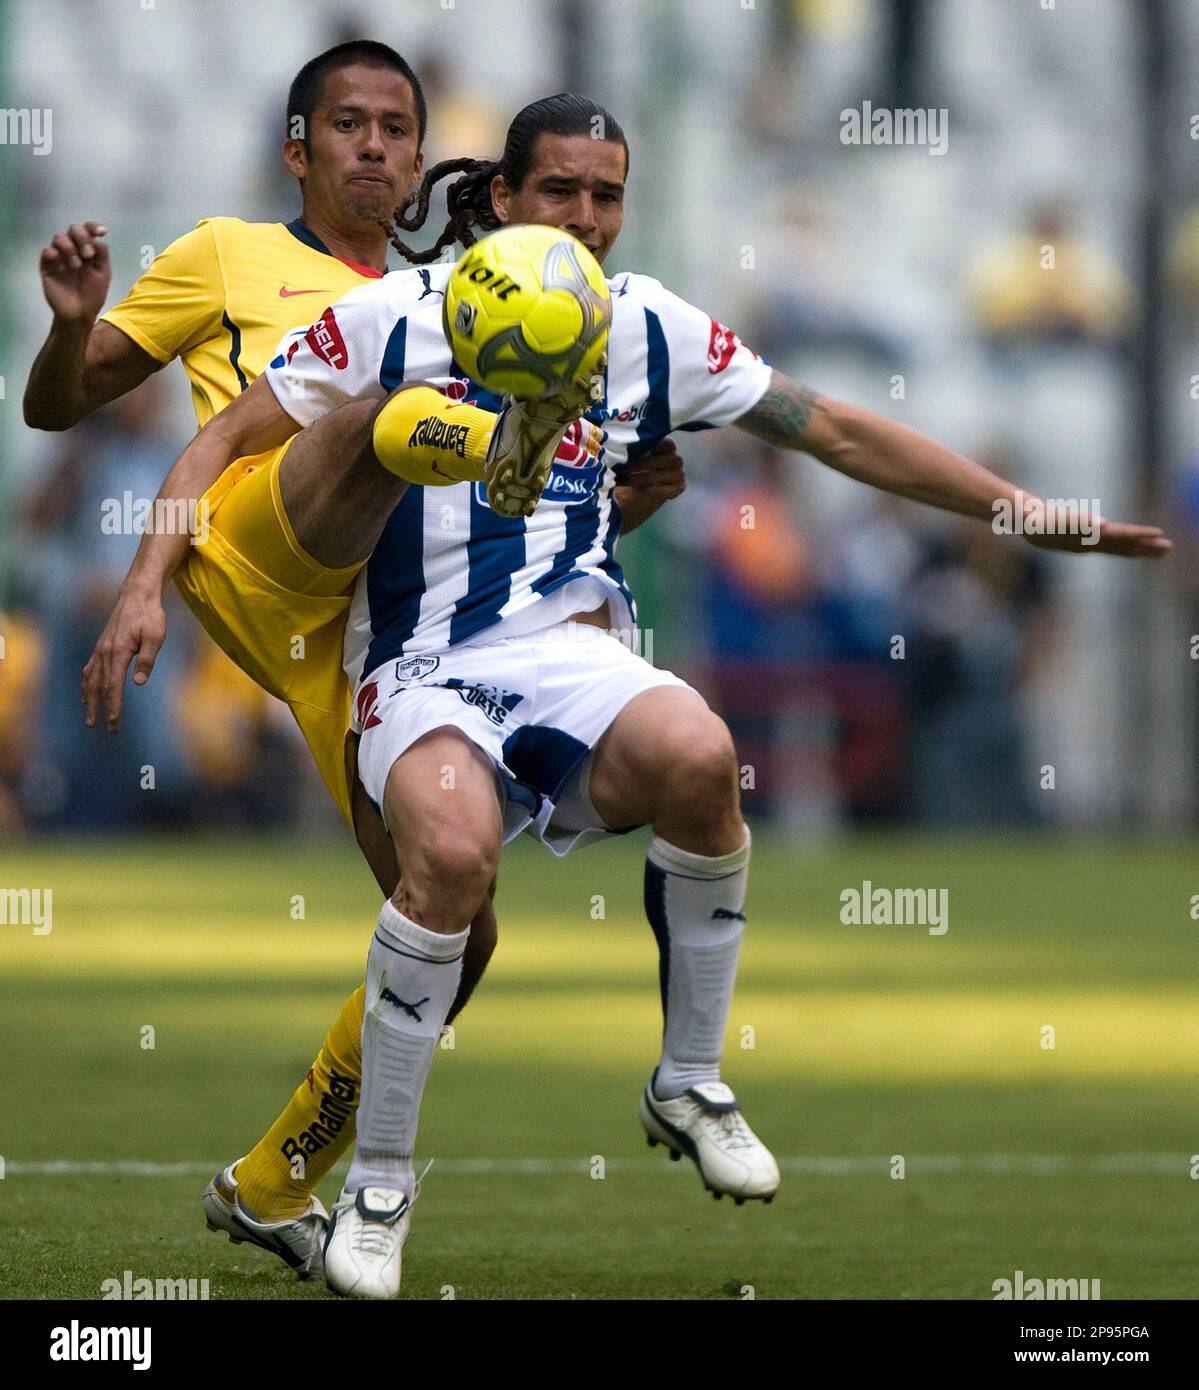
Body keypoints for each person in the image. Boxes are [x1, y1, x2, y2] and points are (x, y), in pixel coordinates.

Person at [88, 92, 1170, 1298]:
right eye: (559, 190)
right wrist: (145, 582)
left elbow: (838, 430)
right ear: (501, 199)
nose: (587, 217)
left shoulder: (647, 326)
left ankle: (687, 1079)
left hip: (568, 647)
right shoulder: (391, 314)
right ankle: (379, 1185)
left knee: (703, 755)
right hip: (413, 659)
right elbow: (213, 445)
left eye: (607, 195)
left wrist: (1022, 517)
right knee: (450, 867)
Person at [28, 42, 680, 1279]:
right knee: (379, 416)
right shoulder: (227, 255)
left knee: (459, 924)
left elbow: (486, 537)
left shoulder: (459, 298)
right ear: (299, 149)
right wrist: (139, 574)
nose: (374, 146)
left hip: (372, 636)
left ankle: (271, 1182)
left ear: (423, 156)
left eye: (396, 129)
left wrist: (615, 501)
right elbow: (60, 409)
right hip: (258, 545)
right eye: (348, 125)